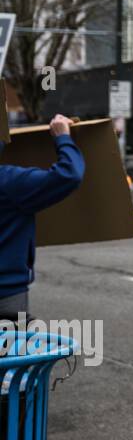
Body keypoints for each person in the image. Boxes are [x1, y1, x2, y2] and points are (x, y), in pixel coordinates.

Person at [0, 114, 84, 322]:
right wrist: (63, 136)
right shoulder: (9, 182)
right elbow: (70, 174)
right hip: (6, 292)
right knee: (10, 351)